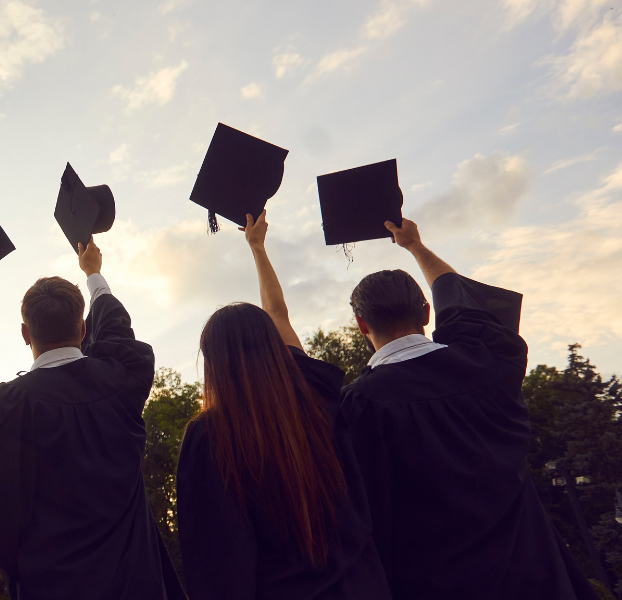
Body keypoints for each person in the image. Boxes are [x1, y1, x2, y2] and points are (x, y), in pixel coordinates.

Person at [338, 218, 598, 600]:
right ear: (426, 313)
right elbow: (462, 304)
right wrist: (415, 245)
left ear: (361, 324)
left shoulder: (358, 408)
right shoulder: (490, 362)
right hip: (536, 579)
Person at [175, 210, 390, 600]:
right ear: (274, 349)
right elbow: (278, 314)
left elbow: (216, 559)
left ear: (213, 366)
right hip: (360, 588)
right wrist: (257, 247)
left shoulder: (209, 437)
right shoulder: (316, 397)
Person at [0, 236, 184, 600]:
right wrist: (93, 274)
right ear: (83, 331)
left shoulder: (3, 406)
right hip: (135, 586)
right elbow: (116, 331)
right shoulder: (122, 380)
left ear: (25, 334)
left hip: (49, 586)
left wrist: (24, 569)